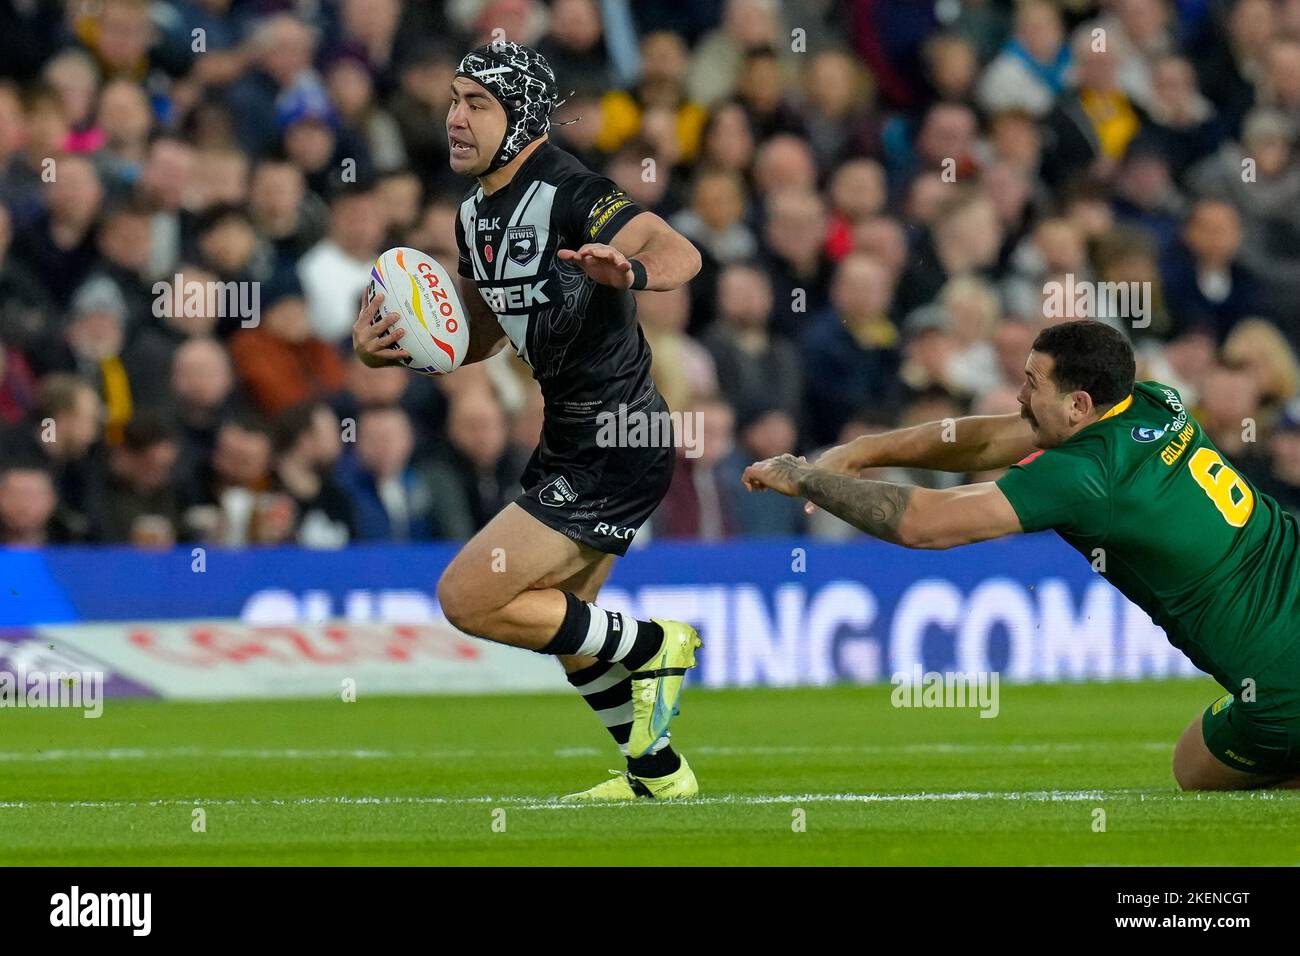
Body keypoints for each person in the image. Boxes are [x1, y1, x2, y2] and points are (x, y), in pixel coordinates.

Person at [351, 42, 704, 801]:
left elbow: (677, 250)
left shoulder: (571, 189)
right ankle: (657, 775)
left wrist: (632, 271)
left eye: (477, 103)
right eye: (452, 100)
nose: (455, 118)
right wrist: (397, 351)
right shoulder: (474, 212)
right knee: (566, 628)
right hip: (572, 440)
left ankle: (655, 644)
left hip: (618, 438)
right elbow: (480, 332)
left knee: (469, 598)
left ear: (521, 118)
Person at [743, 319, 1300, 791]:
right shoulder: (1156, 400)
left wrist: (805, 477)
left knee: (1192, 765)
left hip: (1282, 688)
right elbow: (988, 441)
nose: (1020, 395)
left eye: (1033, 384)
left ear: (1079, 404)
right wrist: (863, 451)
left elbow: (924, 525)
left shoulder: (1083, 474)